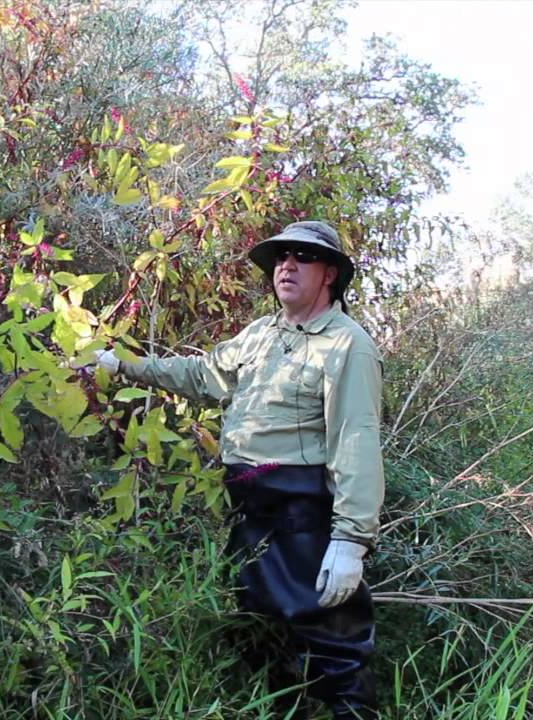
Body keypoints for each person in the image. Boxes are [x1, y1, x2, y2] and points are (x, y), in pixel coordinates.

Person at [94, 221, 385, 719]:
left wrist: (350, 541)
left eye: (302, 257)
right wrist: (123, 365)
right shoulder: (263, 332)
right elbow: (205, 374)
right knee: (257, 622)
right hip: (250, 505)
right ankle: (280, 709)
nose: (286, 266)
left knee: (329, 630)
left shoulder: (347, 345)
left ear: (330, 273)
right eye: (280, 257)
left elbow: (355, 441)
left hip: (301, 510)